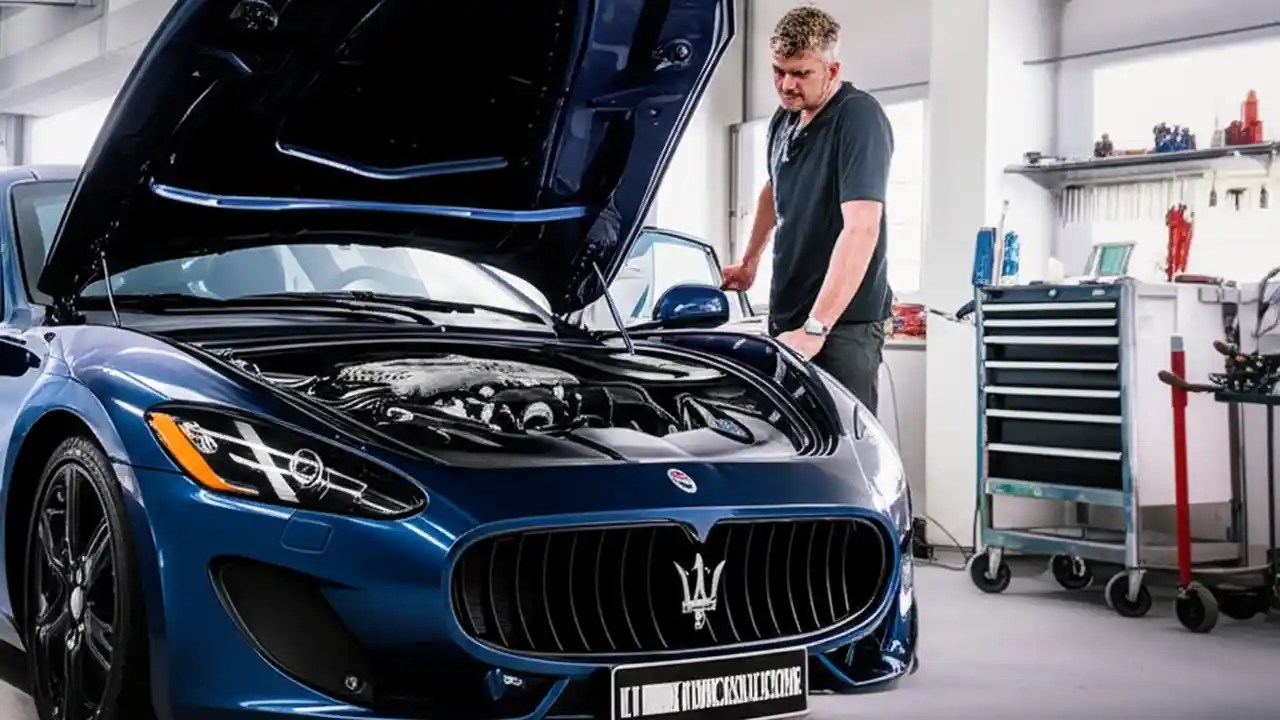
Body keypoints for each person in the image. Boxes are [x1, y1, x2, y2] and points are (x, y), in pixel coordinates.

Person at [722, 4, 894, 412]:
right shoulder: (783, 121)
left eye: (801, 73)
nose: (786, 85)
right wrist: (749, 263)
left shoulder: (857, 117)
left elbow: (862, 228)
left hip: (841, 328)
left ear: (832, 71)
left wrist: (818, 327)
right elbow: (772, 190)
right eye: (779, 71)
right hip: (789, 319)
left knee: (846, 454)